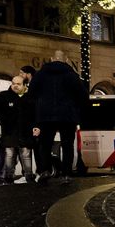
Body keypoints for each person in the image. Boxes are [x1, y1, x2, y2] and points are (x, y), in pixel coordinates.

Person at [30, 54, 85, 185]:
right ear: (66, 60)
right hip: (67, 115)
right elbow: (83, 95)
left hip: (46, 115)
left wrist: (40, 106)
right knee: (67, 145)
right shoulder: (72, 75)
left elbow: (31, 93)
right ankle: (66, 174)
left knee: (45, 144)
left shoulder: (41, 74)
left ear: (51, 59)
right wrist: (76, 109)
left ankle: (45, 170)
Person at [0, 75, 36, 183]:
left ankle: (29, 176)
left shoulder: (30, 98)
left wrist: (35, 126)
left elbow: (35, 113)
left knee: (26, 154)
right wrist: (3, 119)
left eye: (18, 84)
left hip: (25, 132)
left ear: (24, 85)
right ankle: (9, 177)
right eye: (13, 83)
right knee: (9, 154)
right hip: (9, 132)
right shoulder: (4, 96)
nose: (15, 86)